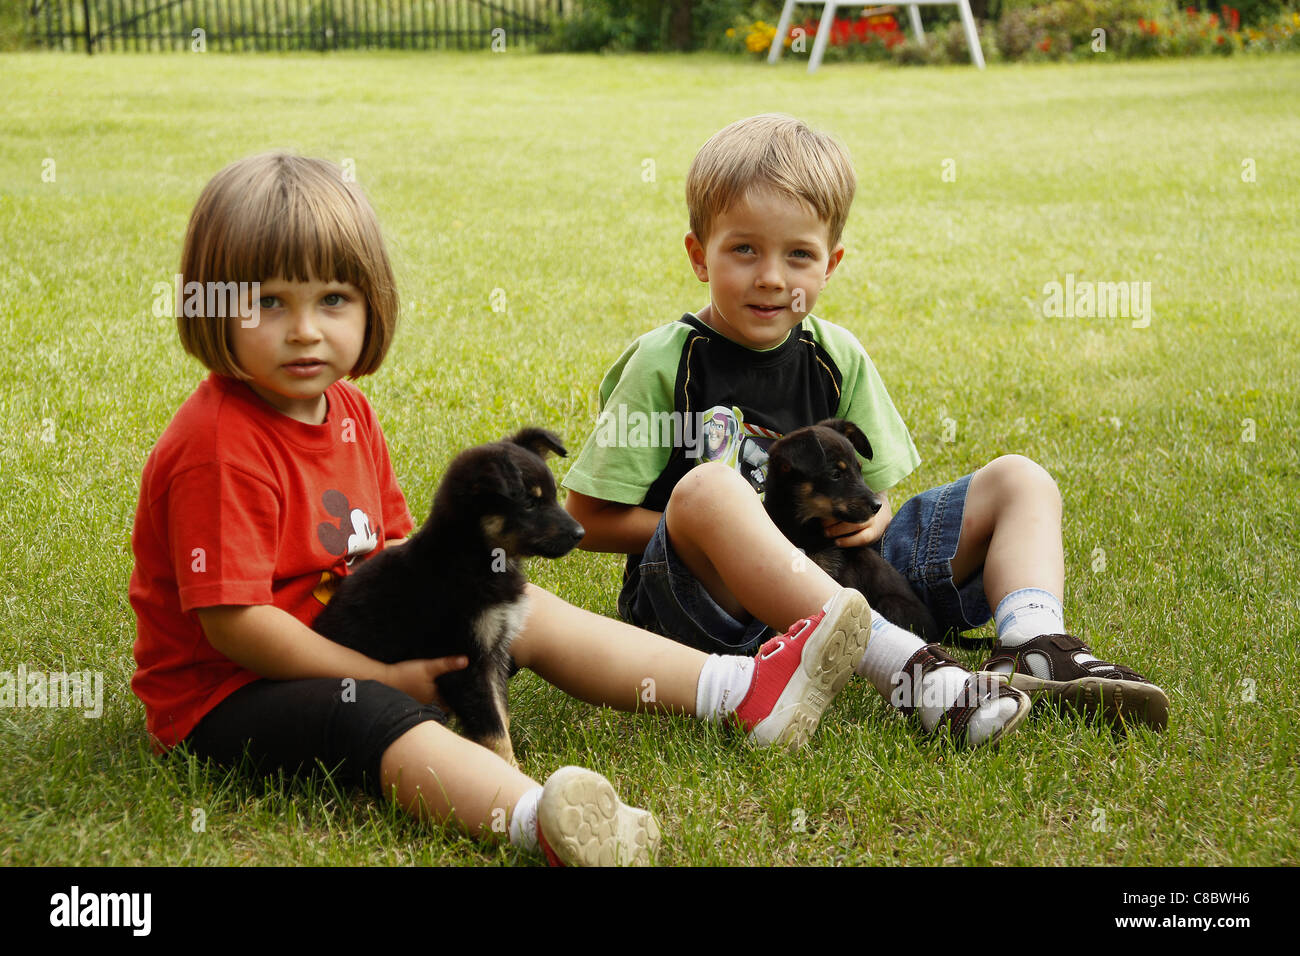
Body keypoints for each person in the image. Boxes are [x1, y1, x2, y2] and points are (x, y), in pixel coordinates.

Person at [128, 151, 874, 868]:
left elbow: (394, 548)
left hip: (361, 631)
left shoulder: (347, 410)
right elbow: (237, 626)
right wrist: (376, 677)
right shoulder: (219, 446)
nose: (304, 330)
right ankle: (535, 820)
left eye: (332, 299)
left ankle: (741, 691)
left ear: (370, 304)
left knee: (522, 599)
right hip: (240, 693)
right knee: (366, 715)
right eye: (267, 303)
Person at [563, 114, 1169, 749]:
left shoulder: (835, 354)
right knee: (712, 490)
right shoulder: (666, 364)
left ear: (831, 264)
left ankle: (1036, 647)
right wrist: (746, 536)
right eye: (744, 249)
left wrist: (875, 518)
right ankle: (914, 673)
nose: (772, 276)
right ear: (697, 255)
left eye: (799, 254)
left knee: (1021, 479)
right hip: (711, 602)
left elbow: (870, 497)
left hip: (845, 566)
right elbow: (588, 521)